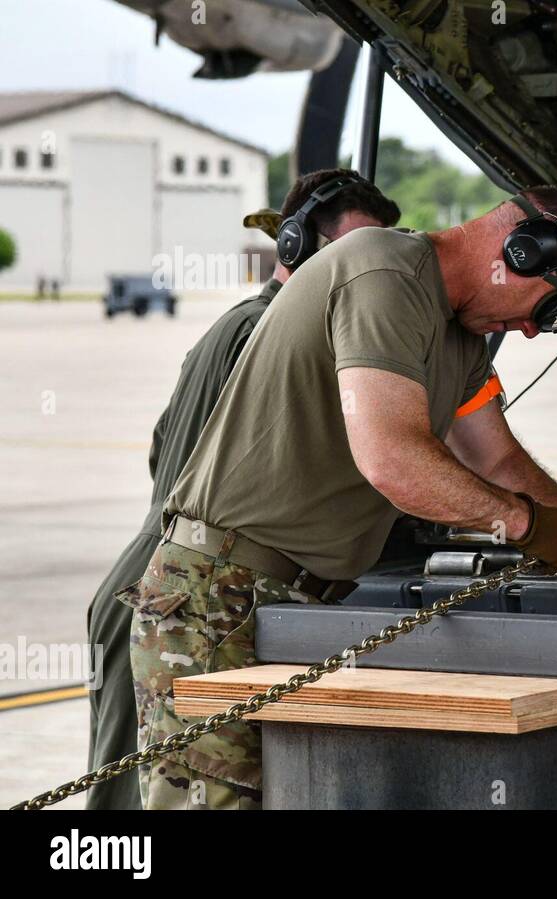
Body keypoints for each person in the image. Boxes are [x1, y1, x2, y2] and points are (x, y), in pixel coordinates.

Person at [117, 184, 557, 810]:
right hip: (217, 597)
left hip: (291, 602)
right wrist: (532, 527)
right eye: (551, 306)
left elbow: (497, 460)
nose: (532, 331)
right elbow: (393, 460)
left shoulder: (460, 338)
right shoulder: (383, 274)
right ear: (522, 251)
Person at [84, 169, 401, 810]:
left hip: (156, 583)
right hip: (178, 595)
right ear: (295, 244)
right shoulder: (272, 337)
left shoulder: (237, 325)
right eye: (351, 253)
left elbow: (162, 447)